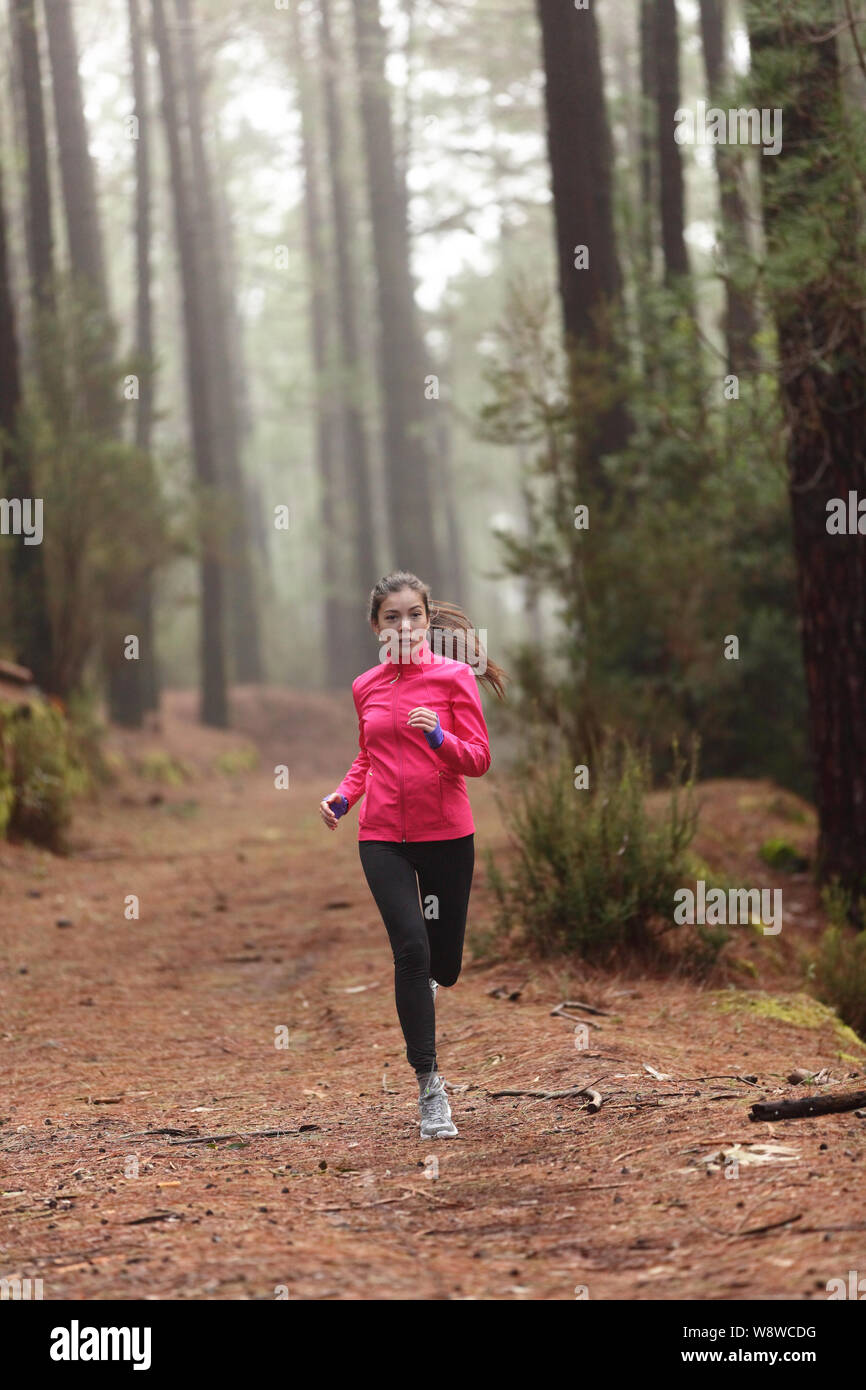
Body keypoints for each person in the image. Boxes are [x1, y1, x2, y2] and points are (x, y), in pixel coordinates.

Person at [319, 570, 507, 1139]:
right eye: (392, 617)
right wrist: (343, 796)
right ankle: (431, 1091)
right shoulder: (365, 686)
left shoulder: (453, 679)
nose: (404, 625)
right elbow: (368, 755)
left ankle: (429, 977)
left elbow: (478, 759)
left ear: (428, 621)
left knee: (443, 965)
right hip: (383, 838)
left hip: (447, 833)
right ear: (376, 626)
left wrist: (438, 739)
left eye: (414, 615)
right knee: (410, 952)